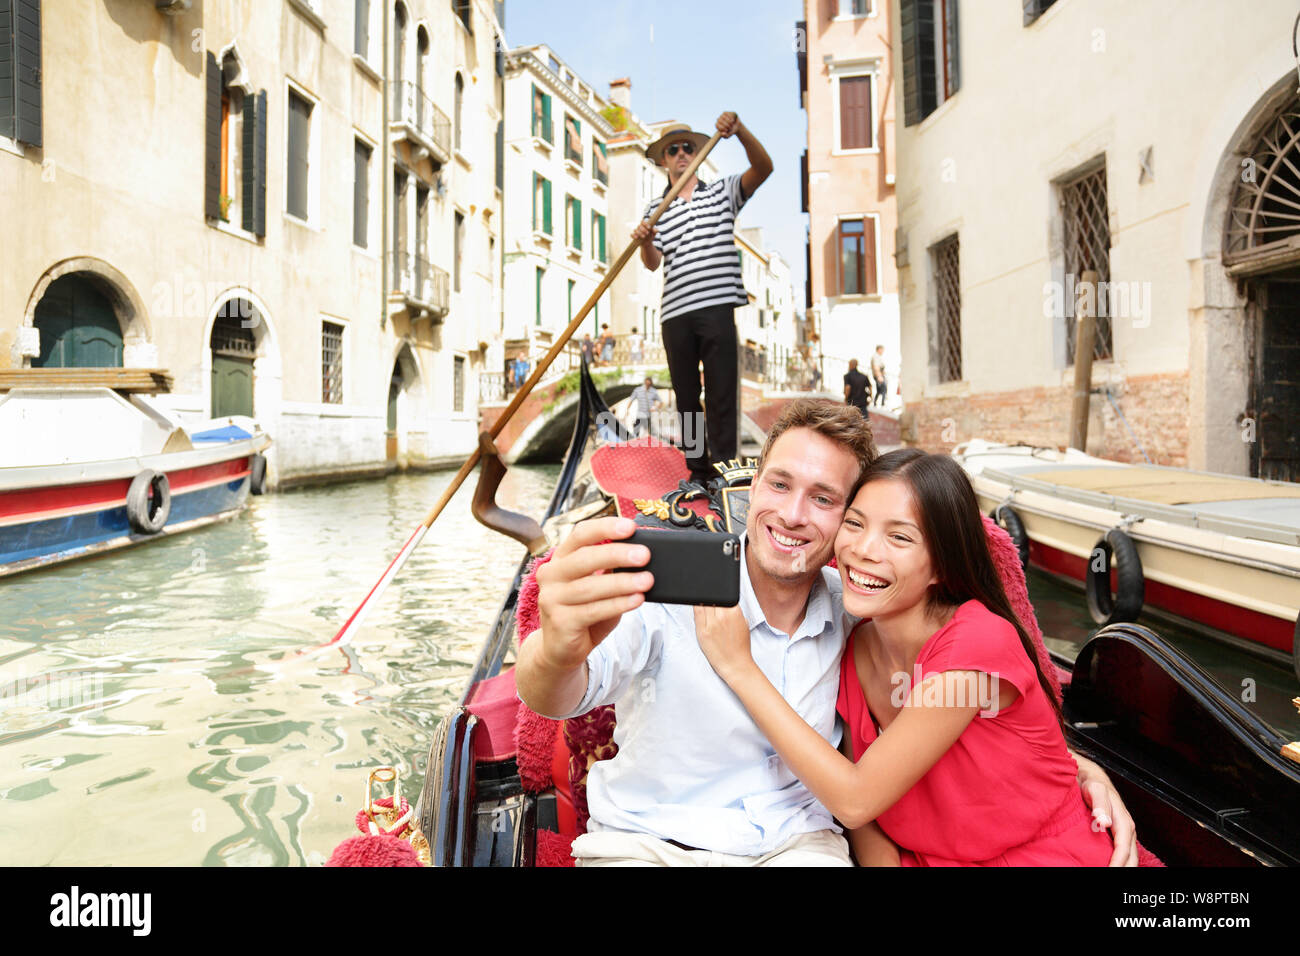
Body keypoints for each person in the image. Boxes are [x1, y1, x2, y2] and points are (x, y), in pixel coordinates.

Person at [515, 398, 1138, 867]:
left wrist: (1073, 766)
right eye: (779, 485)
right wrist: (557, 647)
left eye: (824, 498)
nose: (791, 514)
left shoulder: (857, 609)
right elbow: (553, 692)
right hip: (652, 843)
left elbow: (964, 709)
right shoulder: (664, 595)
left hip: (798, 845)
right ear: (750, 489)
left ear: (843, 517)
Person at [695, 449, 1118, 865]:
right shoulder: (854, 643)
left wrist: (739, 667)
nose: (863, 550)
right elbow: (862, 810)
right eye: (855, 524)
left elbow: (856, 799)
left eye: (899, 537)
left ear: (941, 566)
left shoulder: (977, 644)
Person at [631, 112, 772, 485]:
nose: (680, 153)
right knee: (686, 398)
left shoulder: (722, 192)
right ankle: (697, 472)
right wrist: (646, 240)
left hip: (717, 306)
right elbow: (651, 263)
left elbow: (764, 167)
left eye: (688, 148)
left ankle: (725, 471)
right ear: (663, 160)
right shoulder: (654, 211)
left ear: (697, 153)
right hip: (676, 314)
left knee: (722, 390)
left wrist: (740, 132)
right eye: (673, 150)